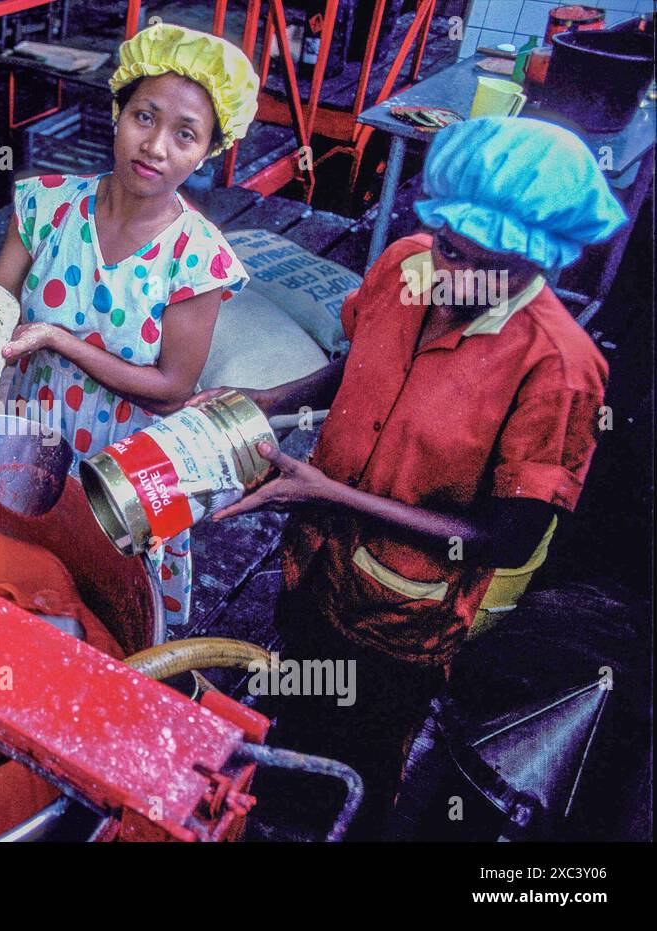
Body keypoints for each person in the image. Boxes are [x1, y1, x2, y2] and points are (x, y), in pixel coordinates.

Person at [188, 115, 628, 837]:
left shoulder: (560, 367)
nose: (448, 275)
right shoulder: (405, 264)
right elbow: (355, 366)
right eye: (448, 247)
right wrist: (263, 403)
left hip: (397, 621)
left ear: (536, 262)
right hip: (313, 564)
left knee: (355, 764)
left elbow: (508, 536)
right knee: (295, 707)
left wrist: (330, 492)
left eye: (482, 264)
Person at [0, 23, 260, 626]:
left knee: (105, 623)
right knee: (19, 597)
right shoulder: (45, 206)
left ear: (207, 151)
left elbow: (171, 390)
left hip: (124, 482)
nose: (156, 146)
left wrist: (59, 340)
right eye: (145, 117)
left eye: (185, 135)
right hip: (29, 450)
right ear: (117, 112)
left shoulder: (198, 257)